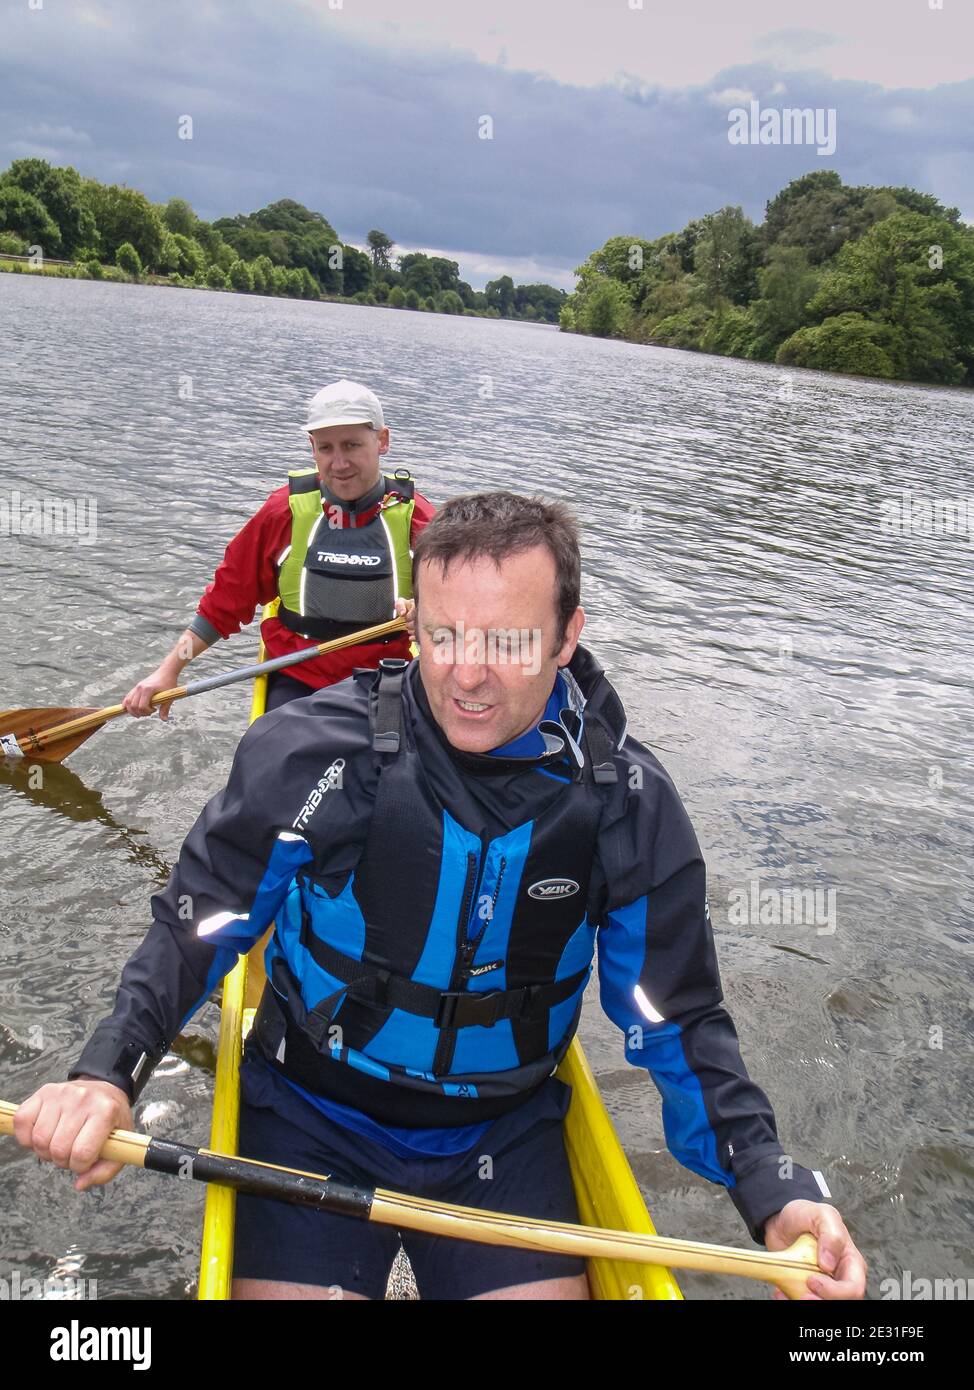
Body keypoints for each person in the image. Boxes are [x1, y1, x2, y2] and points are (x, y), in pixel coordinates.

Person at [15, 493, 867, 1302]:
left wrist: (773, 1188)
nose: (468, 676)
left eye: (508, 642)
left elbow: (676, 1016)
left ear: (567, 636)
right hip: (311, 1116)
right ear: (412, 624)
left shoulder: (630, 804)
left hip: (503, 1133)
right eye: (446, 635)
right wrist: (106, 1073)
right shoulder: (315, 752)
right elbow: (200, 922)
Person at [122, 380, 435, 715]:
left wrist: (430, 618)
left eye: (352, 445)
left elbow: (463, 613)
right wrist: (169, 670)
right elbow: (225, 600)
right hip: (297, 677)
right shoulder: (282, 512)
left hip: (385, 678)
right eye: (326, 448)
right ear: (311, 447)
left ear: (382, 440)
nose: (339, 463)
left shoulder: (421, 522)